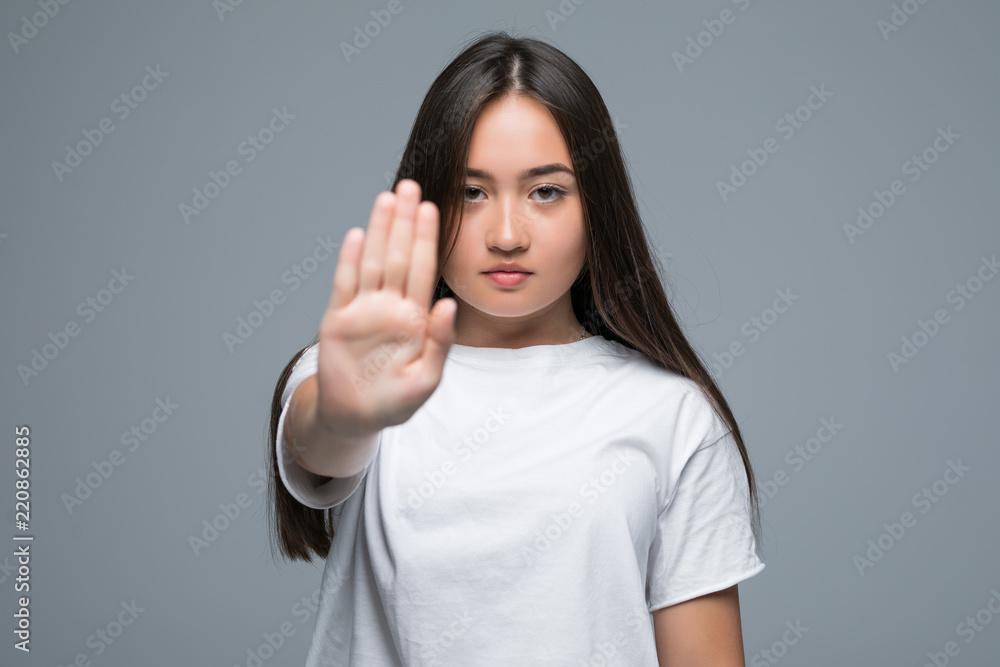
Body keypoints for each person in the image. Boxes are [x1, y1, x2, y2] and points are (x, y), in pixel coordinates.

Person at [264, 30, 765, 666]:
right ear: (429, 202)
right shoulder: (363, 375)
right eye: (472, 192)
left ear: (597, 207)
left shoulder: (675, 418)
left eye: (546, 191)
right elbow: (321, 443)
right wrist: (342, 417)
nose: (506, 234)